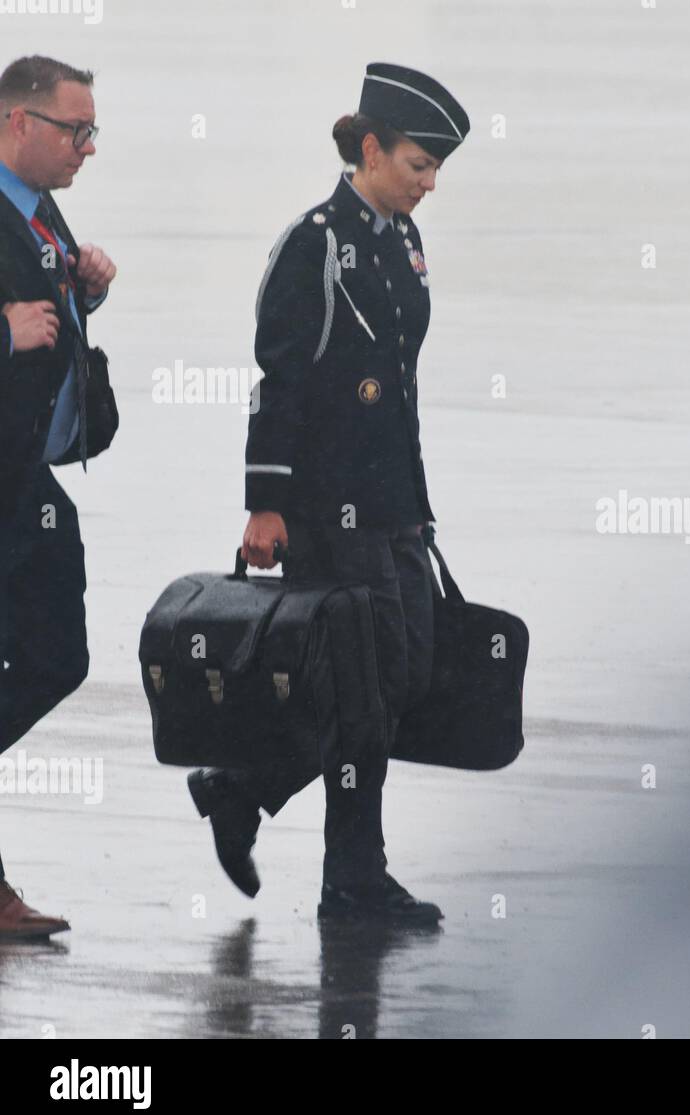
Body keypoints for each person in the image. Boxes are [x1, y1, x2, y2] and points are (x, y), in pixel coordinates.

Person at [187, 62, 470, 928]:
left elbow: (399, 382)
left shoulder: (402, 243)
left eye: (436, 172)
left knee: (403, 675)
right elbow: (280, 381)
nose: (428, 185)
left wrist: (417, 506)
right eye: (418, 165)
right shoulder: (315, 243)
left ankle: (242, 787)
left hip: (394, 504)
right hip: (324, 506)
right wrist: (265, 504)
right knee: (365, 690)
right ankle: (352, 880)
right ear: (372, 148)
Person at [0, 56, 117, 940]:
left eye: (90, 131)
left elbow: (43, 314)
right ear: (18, 124)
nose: (86, 146)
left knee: (59, 657)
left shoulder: (38, 205)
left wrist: (83, 292)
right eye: (74, 130)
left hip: (29, 479)